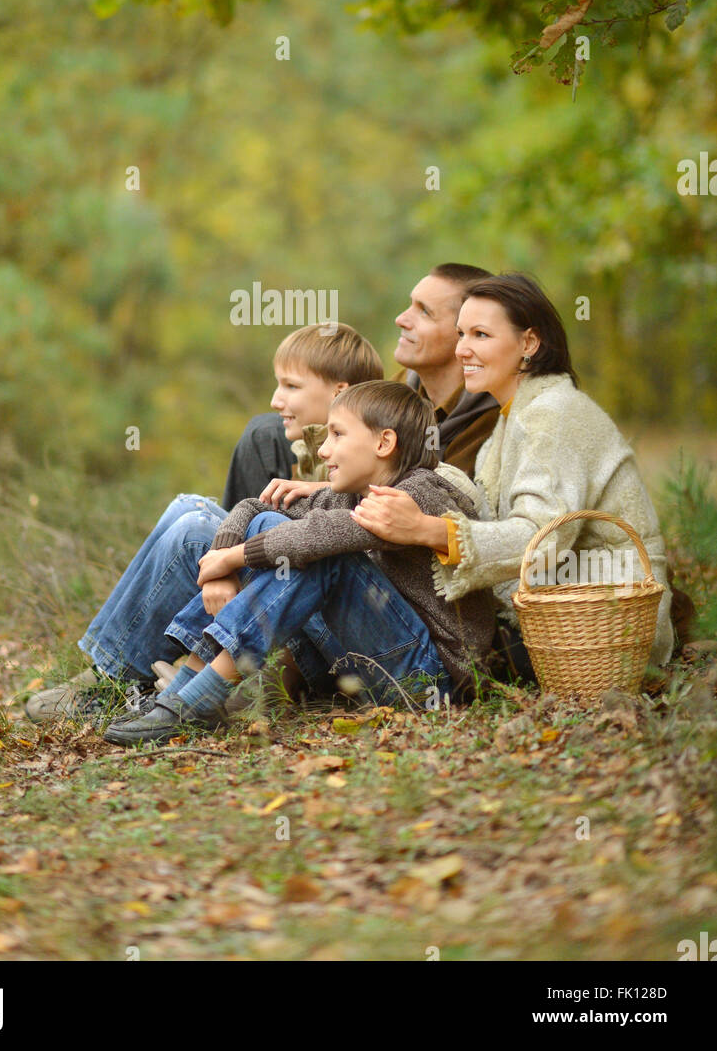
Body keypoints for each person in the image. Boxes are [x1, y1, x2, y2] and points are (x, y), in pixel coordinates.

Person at [24, 323, 384, 724]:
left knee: (193, 526)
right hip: (295, 613)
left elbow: (327, 549)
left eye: (291, 386)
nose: (276, 398)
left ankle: (111, 682)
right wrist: (223, 566)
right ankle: (116, 679)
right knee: (188, 508)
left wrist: (229, 562)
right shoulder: (310, 452)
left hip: (323, 643)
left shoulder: (363, 462)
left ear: (339, 392)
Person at [104, 381, 496, 746]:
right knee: (269, 524)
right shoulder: (354, 493)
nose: (323, 450)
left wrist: (233, 556)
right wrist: (218, 562)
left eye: (338, 435)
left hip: (428, 680)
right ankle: (182, 697)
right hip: (370, 659)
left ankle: (194, 700)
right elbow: (256, 505)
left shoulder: (416, 494)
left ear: (384, 442)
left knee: (323, 558)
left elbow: (322, 536)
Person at [350, 274, 675, 671]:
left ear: (529, 343)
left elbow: (541, 539)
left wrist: (425, 530)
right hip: (557, 612)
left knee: (372, 603)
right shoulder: (512, 419)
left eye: (481, 335)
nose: (463, 349)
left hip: (607, 629)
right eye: (461, 334)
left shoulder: (555, 414)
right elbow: (480, 508)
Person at [221, 263, 499, 507]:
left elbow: (432, 498)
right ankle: (234, 543)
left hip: (386, 536)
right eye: (410, 305)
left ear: (464, 330)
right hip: (351, 494)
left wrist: (317, 489)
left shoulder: (487, 420)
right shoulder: (401, 385)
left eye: (424, 312)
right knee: (265, 433)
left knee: (192, 529)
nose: (401, 319)